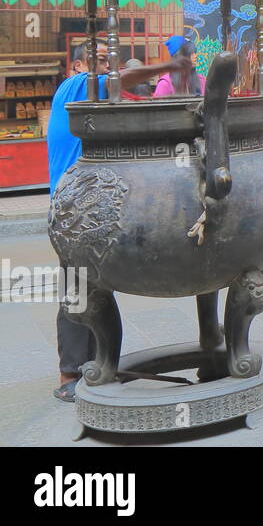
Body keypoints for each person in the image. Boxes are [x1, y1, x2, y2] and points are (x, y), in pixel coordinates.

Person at [48, 40, 190, 402]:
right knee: (79, 290)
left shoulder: (96, 103)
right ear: (78, 66)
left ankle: (100, 364)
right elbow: (122, 78)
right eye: (97, 62)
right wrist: (168, 67)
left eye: (107, 62)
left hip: (94, 207)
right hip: (73, 210)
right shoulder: (74, 87)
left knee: (98, 287)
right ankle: (69, 373)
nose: (105, 69)